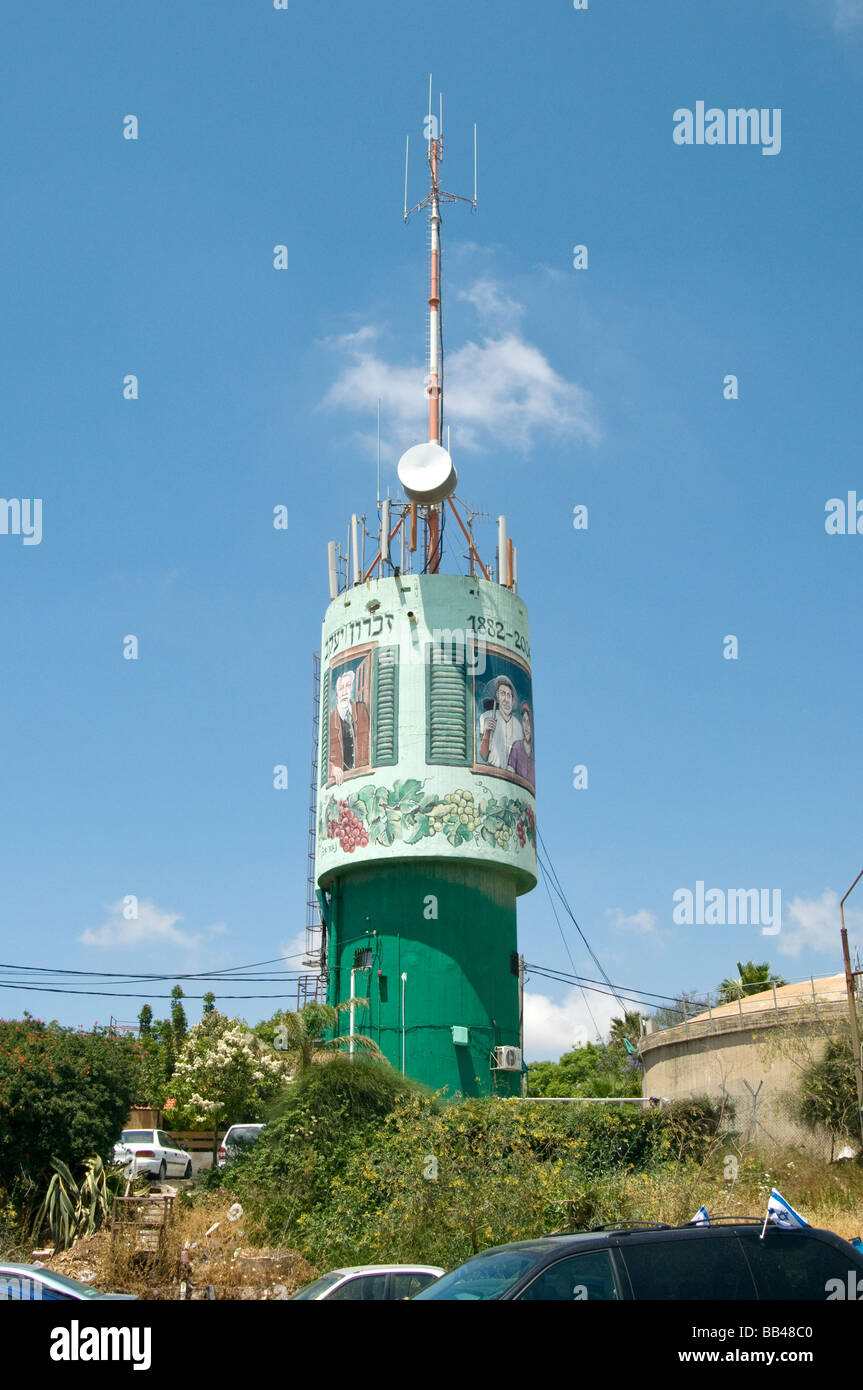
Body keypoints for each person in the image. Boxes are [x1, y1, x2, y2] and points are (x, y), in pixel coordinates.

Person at [328, 668, 370, 785]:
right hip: (344, 782)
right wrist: (332, 769)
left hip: (364, 776)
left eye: (348, 686)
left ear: (352, 688)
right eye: (341, 688)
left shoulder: (361, 710)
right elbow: (323, 757)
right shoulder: (331, 720)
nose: (344, 692)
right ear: (336, 694)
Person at [478, 675, 522, 770]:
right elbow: (484, 755)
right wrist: (487, 732)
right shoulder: (486, 717)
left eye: (508, 695)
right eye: (502, 694)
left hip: (511, 777)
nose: (506, 699)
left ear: (512, 699)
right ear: (497, 696)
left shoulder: (518, 725)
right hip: (493, 772)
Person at [507, 703, 534, 786]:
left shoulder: (533, 756)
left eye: (528, 721)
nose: (526, 726)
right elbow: (509, 773)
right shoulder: (517, 746)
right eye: (524, 721)